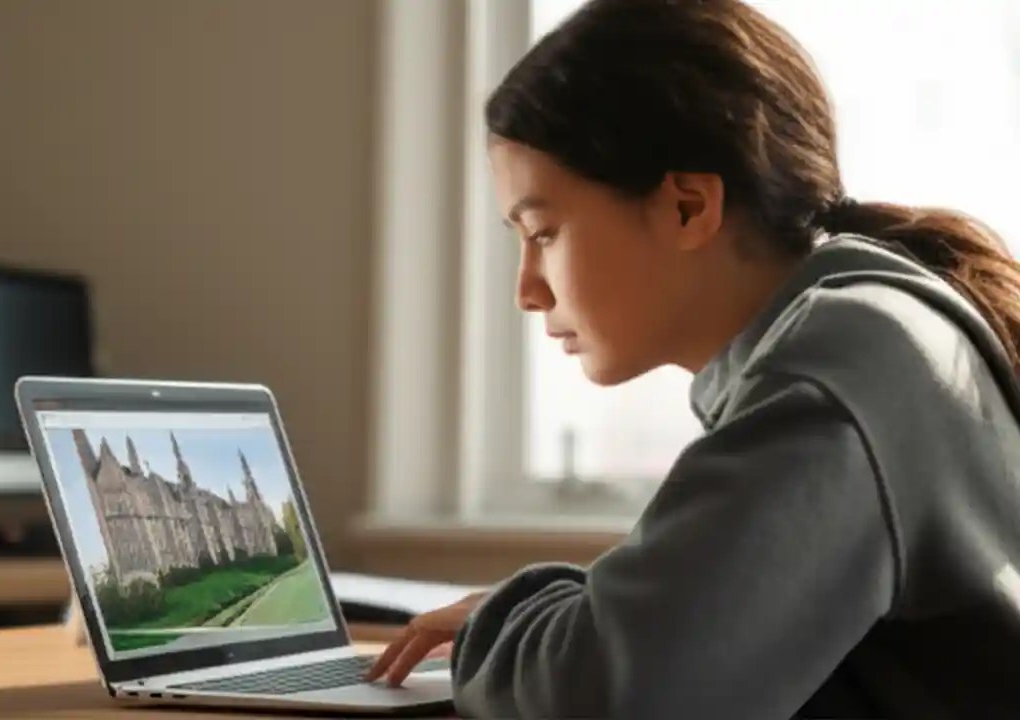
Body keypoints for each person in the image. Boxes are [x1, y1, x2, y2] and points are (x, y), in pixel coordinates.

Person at [364, 0, 1020, 717]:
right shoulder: (869, 334)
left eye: (543, 232)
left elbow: (621, 700)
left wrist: (508, 627)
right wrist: (551, 618)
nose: (526, 289)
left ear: (686, 207)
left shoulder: (839, 362)